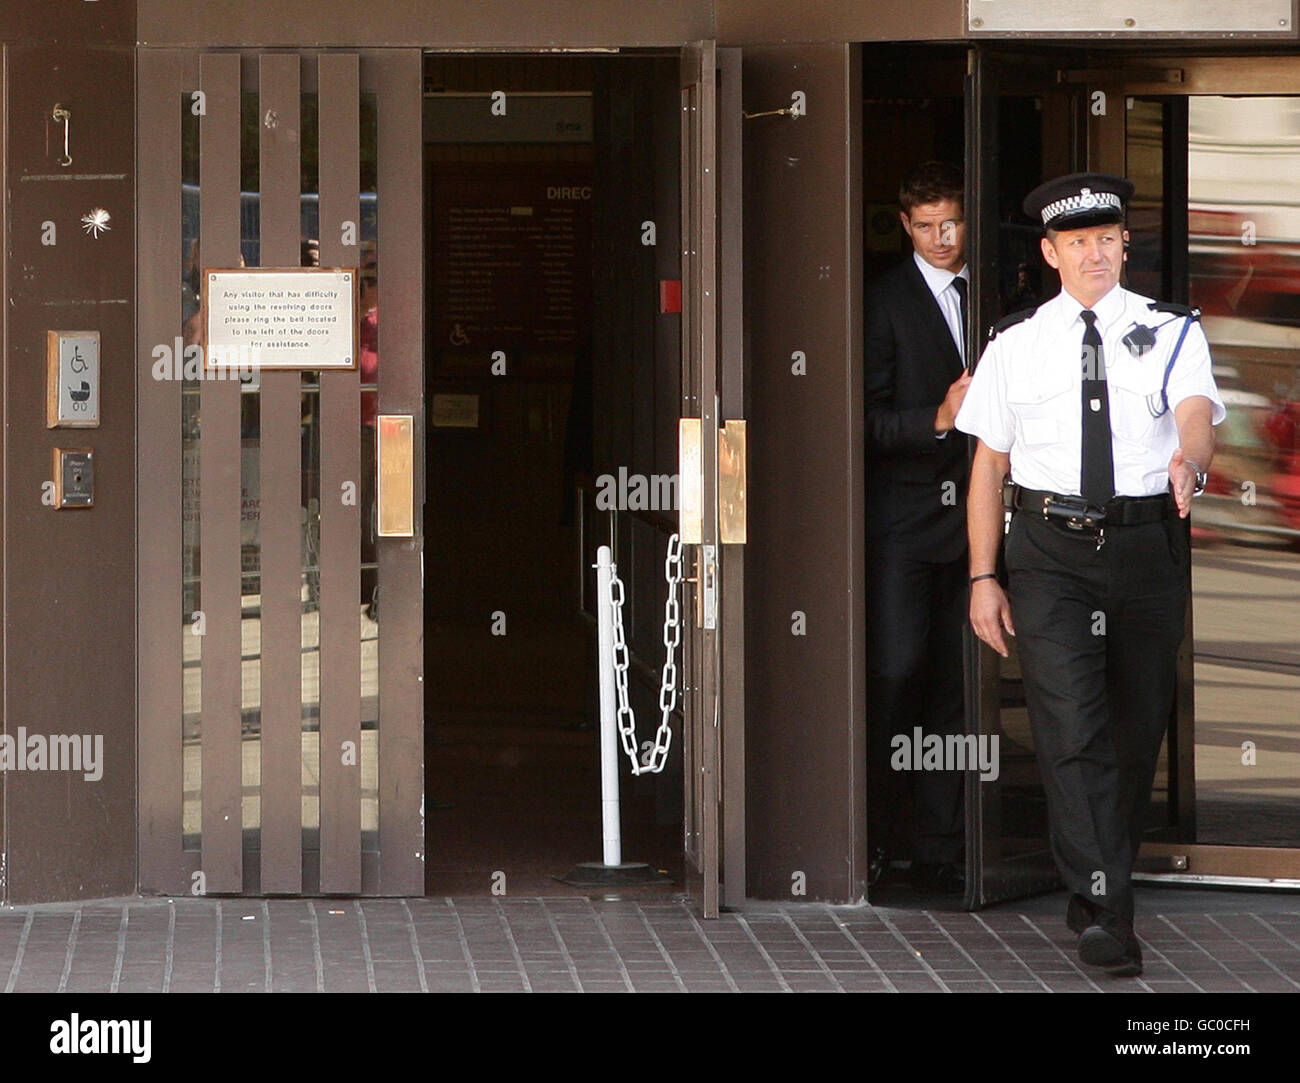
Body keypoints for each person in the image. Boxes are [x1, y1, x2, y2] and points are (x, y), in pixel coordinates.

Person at [956, 172, 1225, 975]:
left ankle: (1094, 882)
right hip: (1048, 552)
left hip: (1147, 547)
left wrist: (1192, 462)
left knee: (1135, 731)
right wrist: (982, 575)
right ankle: (1110, 908)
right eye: (1077, 242)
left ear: (1124, 244)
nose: (1095, 253)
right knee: (1071, 729)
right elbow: (987, 467)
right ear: (1049, 252)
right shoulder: (1014, 343)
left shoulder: (1172, 330)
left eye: (1107, 239)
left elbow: (1196, 416)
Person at [864, 161, 973, 894]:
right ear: (905, 226)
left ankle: (943, 847)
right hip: (905, 522)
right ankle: (874, 833)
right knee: (898, 673)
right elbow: (862, 423)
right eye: (927, 226)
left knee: (960, 687)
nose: (941, 237)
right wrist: (936, 418)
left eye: (952, 223)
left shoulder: (1000, 295)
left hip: (977, 521)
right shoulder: (882, 301)